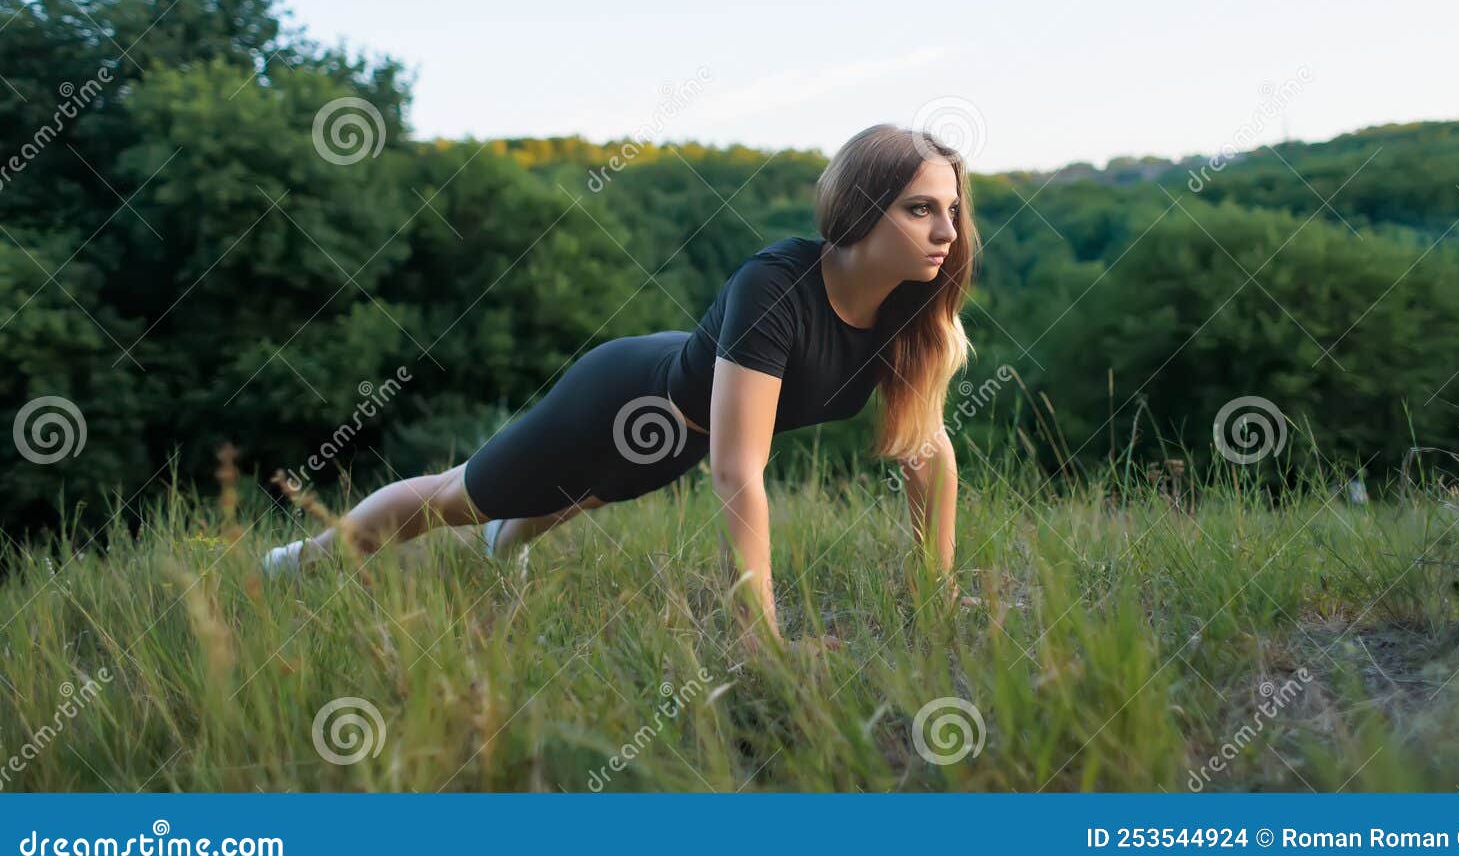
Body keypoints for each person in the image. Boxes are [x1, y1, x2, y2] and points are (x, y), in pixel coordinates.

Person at [262, 122, 978, 655]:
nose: (946, 229)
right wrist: (760, 636)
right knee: (460, 496)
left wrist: (936, 593)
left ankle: (501, 549)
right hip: (621, 398)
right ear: (858, 208)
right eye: (920, 208)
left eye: (951, 209)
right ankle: (306, 559)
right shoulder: (777, 285)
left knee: (585, 493)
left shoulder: (916, 312)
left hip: (672, 440)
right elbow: (737, 470)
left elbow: (926, 453)